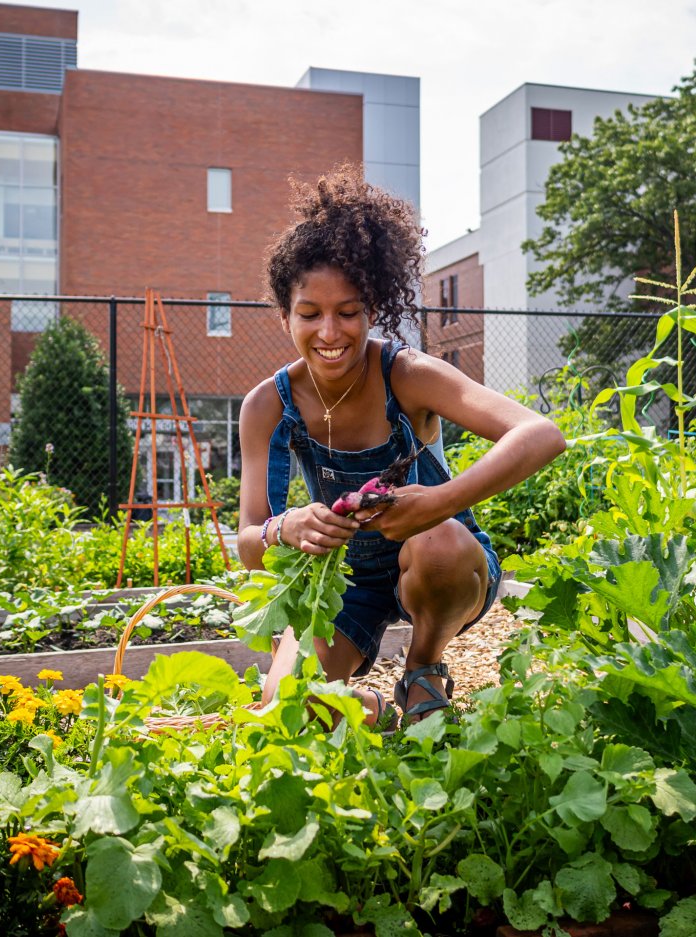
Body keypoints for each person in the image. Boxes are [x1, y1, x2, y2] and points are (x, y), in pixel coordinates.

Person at [237, 167, 565, 725]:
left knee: (438, 543)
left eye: (349, 312)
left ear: (372, 308)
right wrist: (285, 528)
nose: (331, 333)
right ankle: (381, 713)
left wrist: (438, 503)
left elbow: (542, 434)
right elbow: (248, 544)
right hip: (343, 579)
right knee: (288, 703)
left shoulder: (405, 375)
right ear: (285, 313)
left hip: (444, 558)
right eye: (310, 314)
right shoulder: (267, 405)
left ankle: (423, 668)